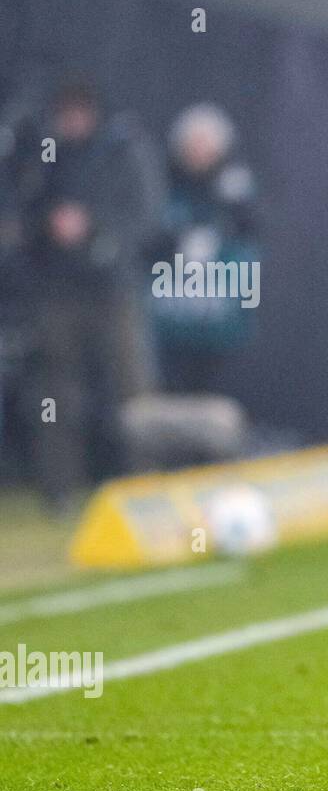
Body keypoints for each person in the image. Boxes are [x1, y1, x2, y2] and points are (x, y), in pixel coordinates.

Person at [16, 75, 162, 510]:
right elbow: (22, 212)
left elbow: (144, 216)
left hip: (112, 291)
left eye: (78, 113)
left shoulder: (123, 150)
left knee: (132, 391)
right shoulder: (45, 152)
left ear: (94, 112)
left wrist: (93, 225)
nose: (71, 122)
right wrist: (49, 225)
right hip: (56, 291)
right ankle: (59, 490)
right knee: (56, 393)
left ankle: (143, 486)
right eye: (64, 114)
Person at [149, 103, 259, 393]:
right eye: (192, 145)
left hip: (216, 318)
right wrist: (176, 244)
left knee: (210, 387)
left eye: (206, 146)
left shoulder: (235, 188)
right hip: (168, 315)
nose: (199, 153)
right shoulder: (161, 185)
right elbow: (144, 237)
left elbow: (252, 233)